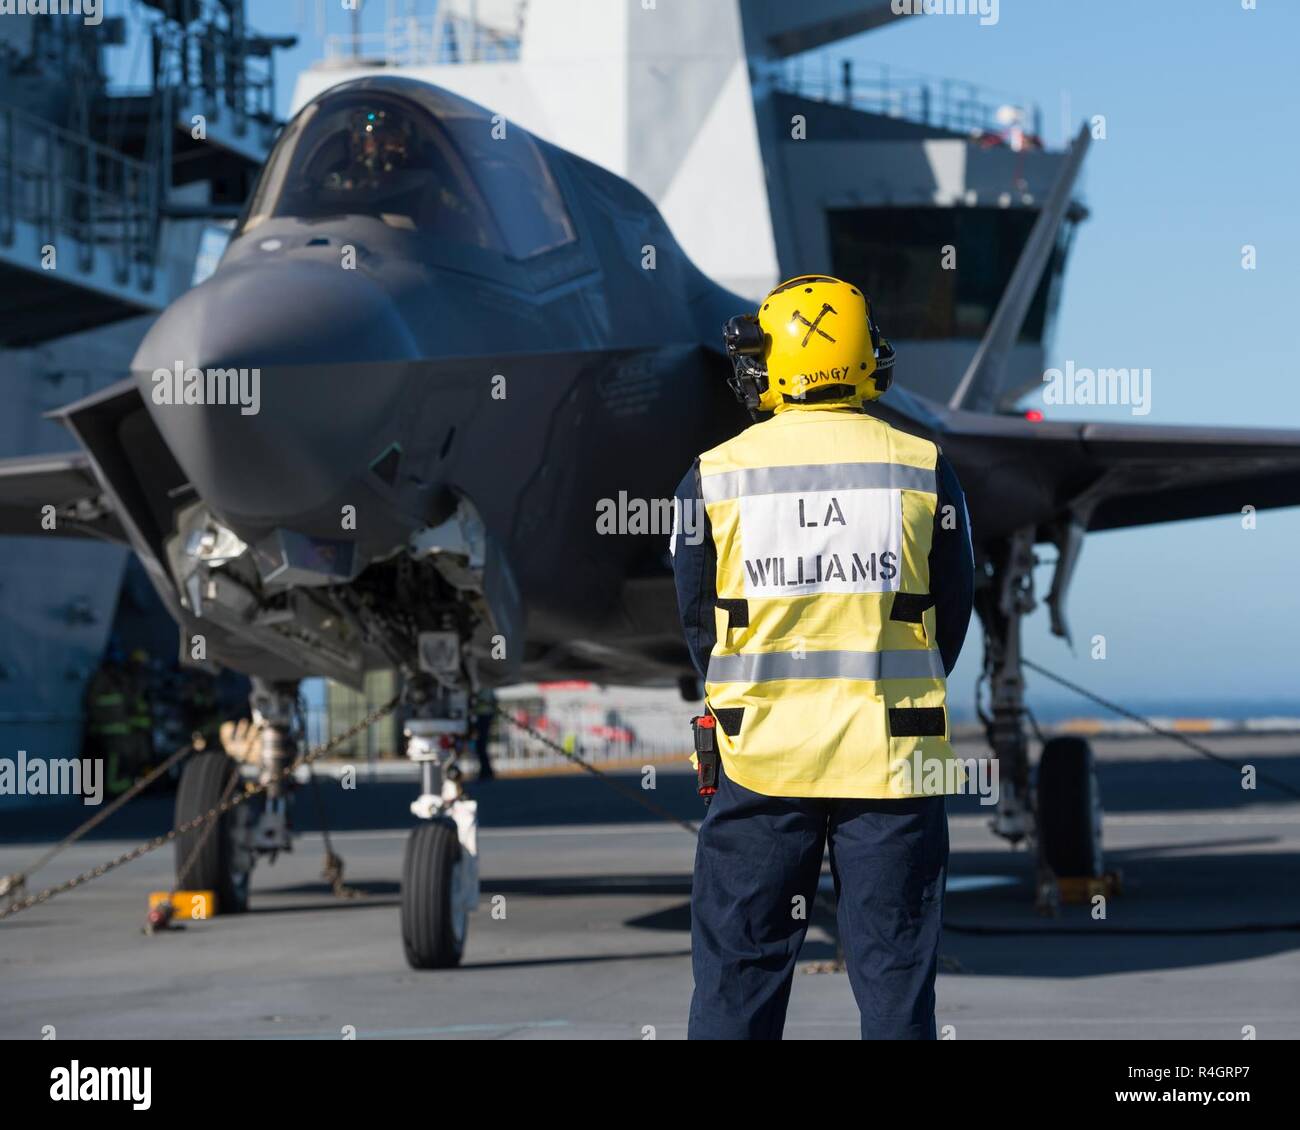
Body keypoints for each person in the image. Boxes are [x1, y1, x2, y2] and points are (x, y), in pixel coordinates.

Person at [670, 275, 974, 1040]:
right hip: (896, 765)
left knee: (737, 982)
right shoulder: (923, 466)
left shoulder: (715, 476)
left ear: (774, 360)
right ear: (863, 356)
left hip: (761, 764)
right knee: (897, 987)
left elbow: (699, 623)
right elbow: (954, 615)